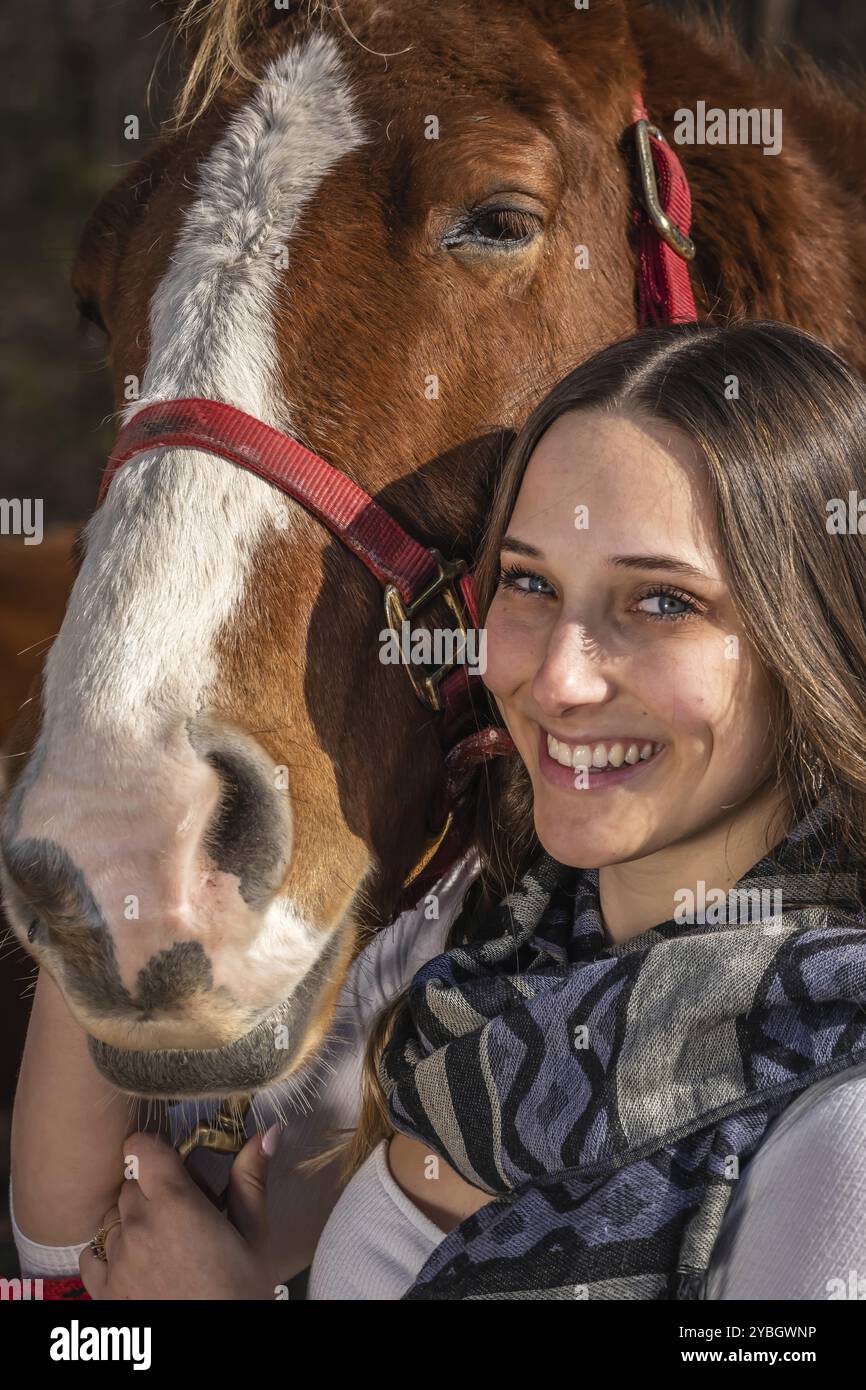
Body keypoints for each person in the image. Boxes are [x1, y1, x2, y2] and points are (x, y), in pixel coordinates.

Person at [11, 320, 866, 1299]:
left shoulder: (838, 1130)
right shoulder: (485, 988)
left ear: (812, 638)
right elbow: (76, 1269)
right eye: (529, 582)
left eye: (660, 602)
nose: (556, 674)